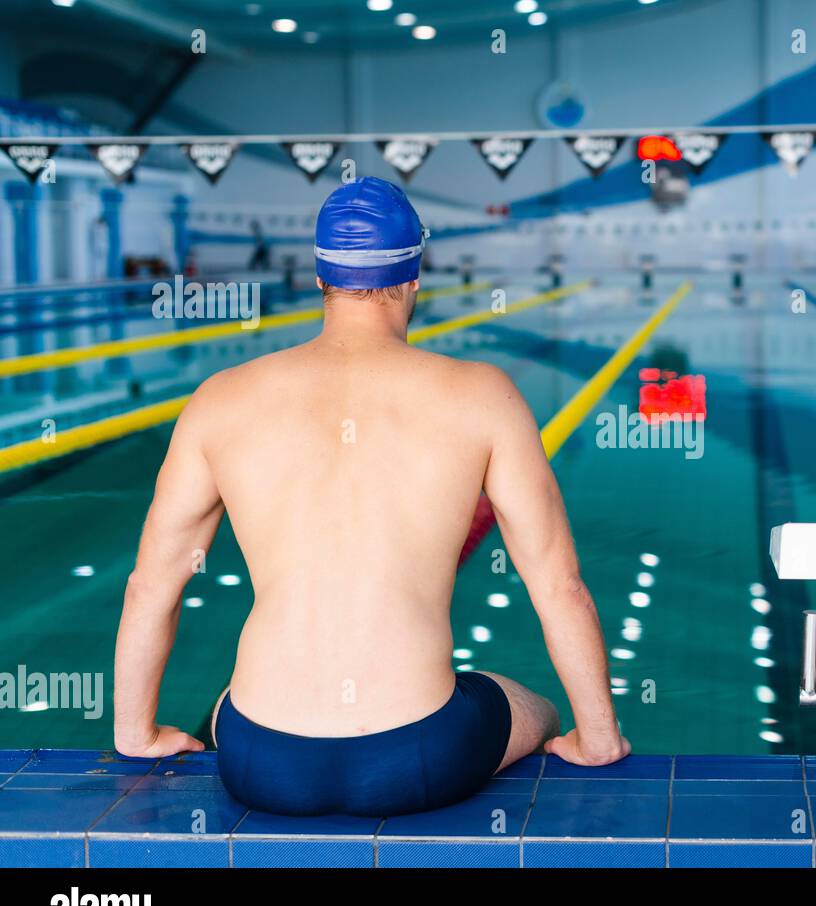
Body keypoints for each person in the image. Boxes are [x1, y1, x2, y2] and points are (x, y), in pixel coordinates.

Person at [113, 176, 629, 817]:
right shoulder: (483, 394)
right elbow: (559, 585)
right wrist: (598, 736)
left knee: (226, 702)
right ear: (414, 277)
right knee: (536, 707)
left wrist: (135, 734)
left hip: (258, 757)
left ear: (321, 278)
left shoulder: (219, 398)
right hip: (420, 753)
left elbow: (150, 585)